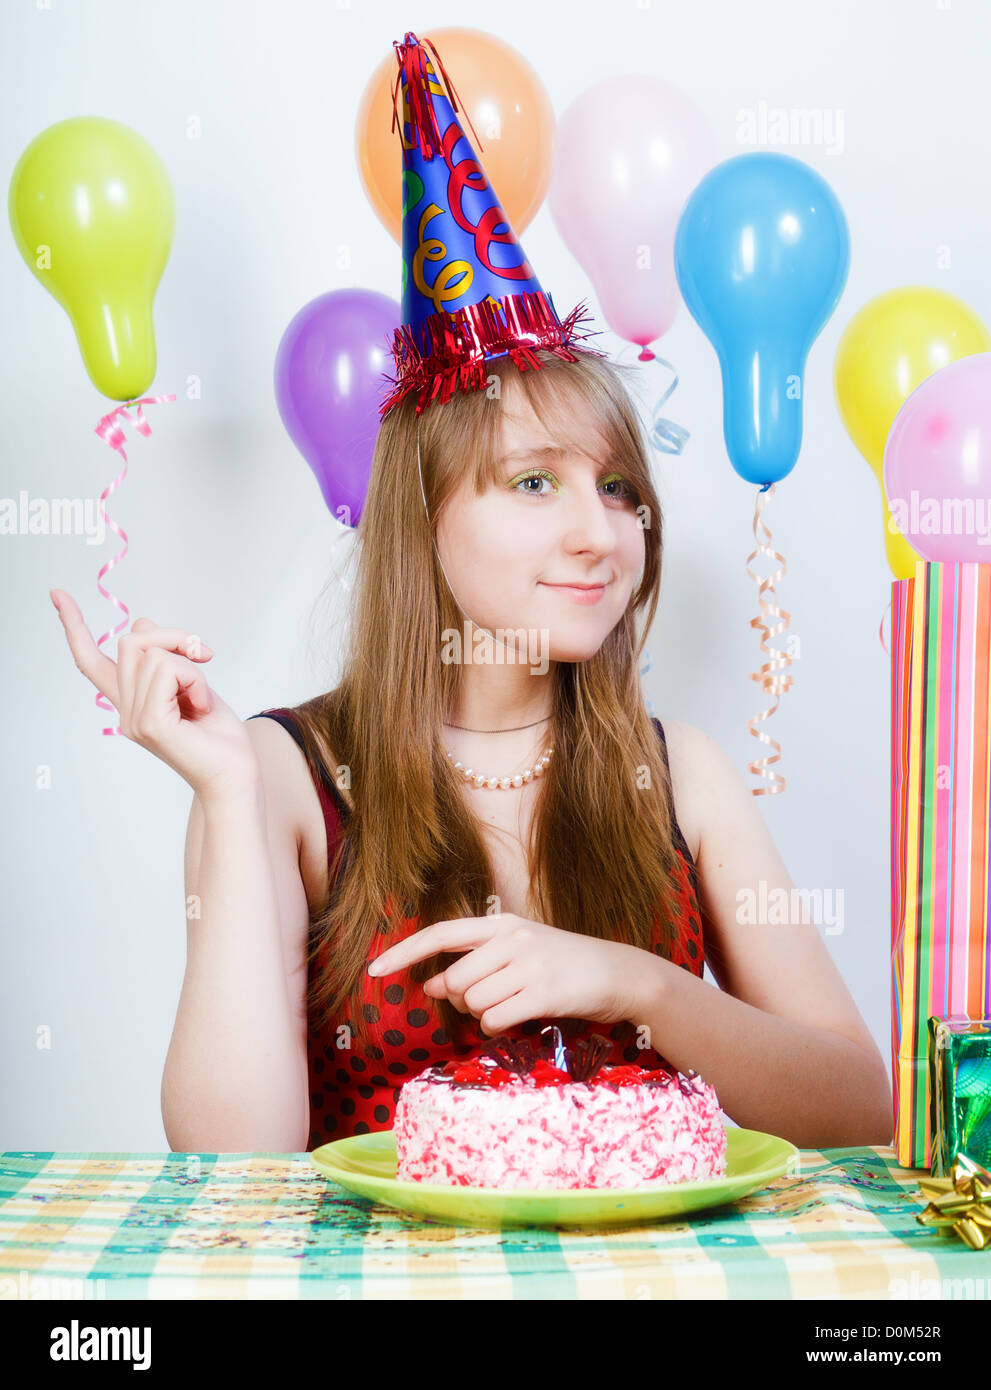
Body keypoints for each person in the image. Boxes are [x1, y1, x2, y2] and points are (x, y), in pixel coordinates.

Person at [49, 31, 891, 1155]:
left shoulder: (678, 773)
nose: (601, 534)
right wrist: (223, 799)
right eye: (534, 482)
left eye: (621, 490)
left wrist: (641, 985)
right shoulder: (282, 778)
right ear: (423, 516)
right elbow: (229, 1169)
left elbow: (858, 1109)